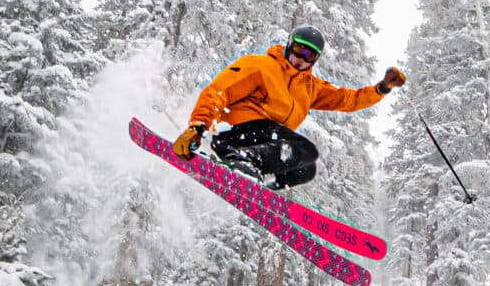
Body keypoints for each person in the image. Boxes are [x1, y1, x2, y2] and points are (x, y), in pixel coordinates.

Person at [172, 26, 405, 188]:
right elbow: (219, 91)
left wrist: (382, 88)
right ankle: (242, 162)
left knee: (307, 169)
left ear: (315, 59)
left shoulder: (310, 87)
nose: (301, 58)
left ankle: (262, 187)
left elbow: (348, 99)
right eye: (299, 50)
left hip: (264, 141)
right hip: (235, 133)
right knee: (305, 149)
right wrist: (197, 127)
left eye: (309, 55)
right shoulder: (262, 65)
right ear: (289, 45)